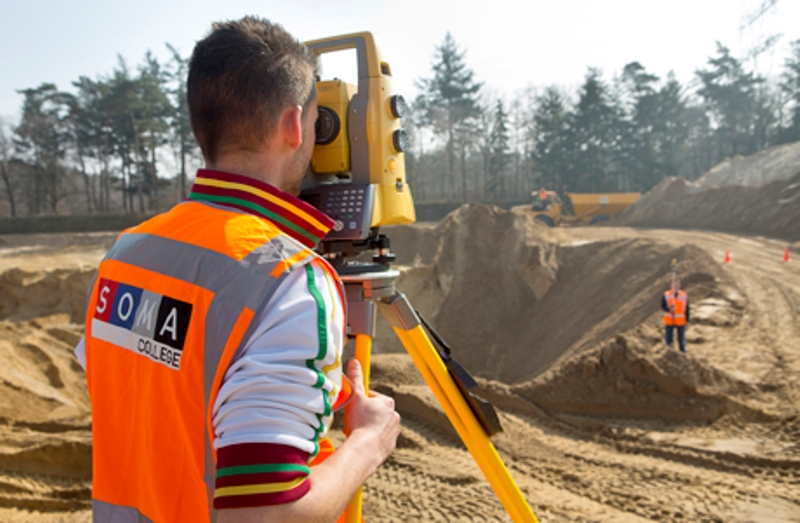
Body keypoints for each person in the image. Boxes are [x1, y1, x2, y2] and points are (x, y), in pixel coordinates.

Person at [74, 17, 400, 523]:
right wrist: (368, 443)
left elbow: (154, 391)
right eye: (318, 124)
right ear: (295, 125)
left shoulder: (128, 252)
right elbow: (263, 516)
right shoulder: (289, 283)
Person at [661, 279, 690, 353]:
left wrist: (687, 321)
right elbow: (663, 306)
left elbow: (687, 309)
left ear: (680, 285)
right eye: (674, 285)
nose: (675, 286)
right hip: (669, 320)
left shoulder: (684, 295)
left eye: (677, 285)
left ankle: (682, 352)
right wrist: (669, 309)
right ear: (670, 285)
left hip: (680, 321)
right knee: (669, 338)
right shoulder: (666, 295)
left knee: (681, 338)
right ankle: (668, 352)